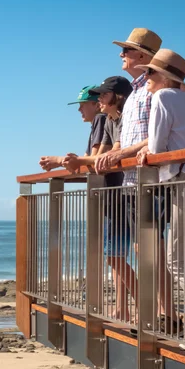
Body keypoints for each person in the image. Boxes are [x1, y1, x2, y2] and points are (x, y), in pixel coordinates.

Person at [95, 28, 180, 334]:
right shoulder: (135, 92)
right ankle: (159, 314)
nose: (122, 55)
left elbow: (155, 137)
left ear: (143, 56)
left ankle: (166, 316)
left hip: (151, 181)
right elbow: (128, 138)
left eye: (127, 50)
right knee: (144, 248)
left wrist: (121, 153)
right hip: (134, 183)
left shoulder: (153, 91)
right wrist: (114, 154)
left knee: (150, 249)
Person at [135, 49, 185, 344]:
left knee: (176, 260)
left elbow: (156, 147)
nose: (146, 77)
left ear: (165, 77)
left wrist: (147, 151)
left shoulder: (163, 97)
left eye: (150, 72)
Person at [63, 77, 136, 321]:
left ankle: (145, 307)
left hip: (116, 194)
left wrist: (62, 161)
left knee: (115, 257)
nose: (79, 110)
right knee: (115, 257)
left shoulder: (102, 120)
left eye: (83, 104)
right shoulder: (110, 121)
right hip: (115, 194)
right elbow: (98, 157)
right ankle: (123, 308)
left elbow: (97, 158)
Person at [39, 86, 110, 173]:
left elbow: (92, 160)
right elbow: (86, 160)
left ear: (97, 105)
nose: (79, 109)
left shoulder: (100, 118)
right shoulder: (97, 123)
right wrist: (70, 160)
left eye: (82, 105)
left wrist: (59, 160)